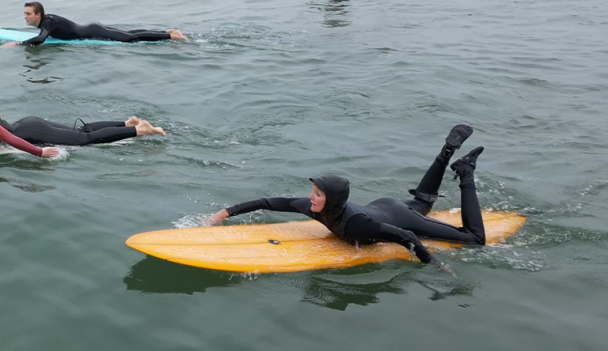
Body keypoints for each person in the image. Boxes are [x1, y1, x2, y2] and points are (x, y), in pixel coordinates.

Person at [203, 125, 489, 265]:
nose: (310, 198)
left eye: (317, 194)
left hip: (397, 217)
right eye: (312, 192)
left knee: (475, 240)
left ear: (333, 201)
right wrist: (223, 214)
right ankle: (447, 153)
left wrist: (434, 266)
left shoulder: (357, 225)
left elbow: (408, 237)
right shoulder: (312, 207)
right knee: (424, 202)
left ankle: (465, 173)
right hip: (385, 208)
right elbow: (268, 202)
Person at [0, 80, 166, 158]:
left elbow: (9, 139)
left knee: (85, 140)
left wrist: (39, 153)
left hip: (33, 133)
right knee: (78, 130)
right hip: (29, 124)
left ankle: (139, 131)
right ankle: (126, 122)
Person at [3, 2, 188, 47]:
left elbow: (41, 39)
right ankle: (165, 31)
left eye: (28, 14)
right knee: (128, 32)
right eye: (24, 13)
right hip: (92, 27)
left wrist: (19, 44)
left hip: (92, 32)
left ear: (38, 14)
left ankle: (171, 36)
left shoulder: (47, 22)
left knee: (130, 38)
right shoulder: (47, 20)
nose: (25, 17)